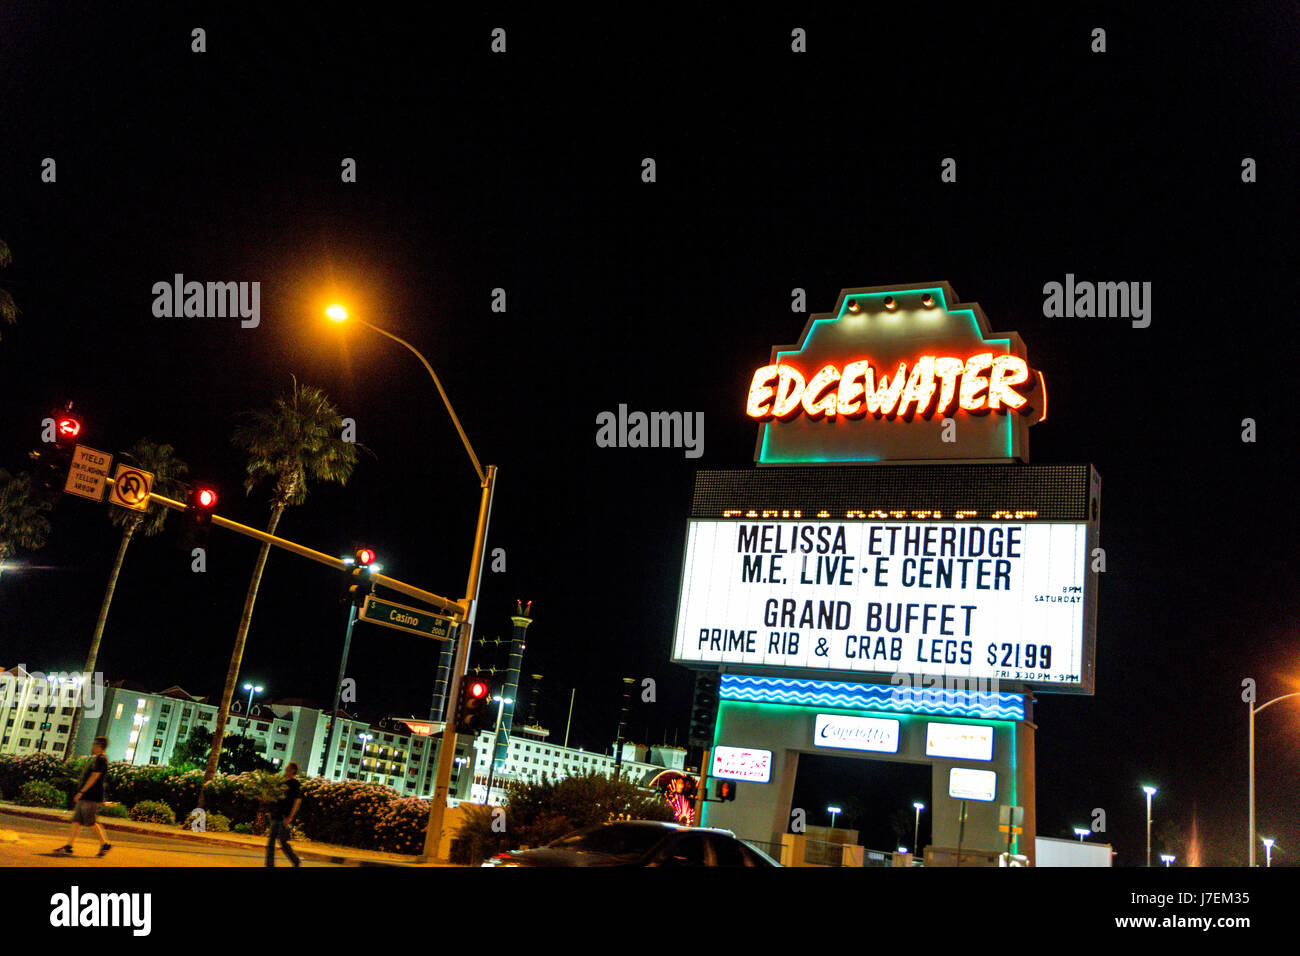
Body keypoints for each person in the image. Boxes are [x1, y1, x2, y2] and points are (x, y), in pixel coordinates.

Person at [54, 736, 112, 857]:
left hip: (92, 796)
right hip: (87, 795)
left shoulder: (101, 759)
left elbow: (94, 777)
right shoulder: (97, 759)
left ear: (100, 746)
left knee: (90, 822)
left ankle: (105, 843)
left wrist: (81, 792)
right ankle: (69, 846)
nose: (92, 747)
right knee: (76, 820)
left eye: (94, 744)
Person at [266, 762, 302, 867]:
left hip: (285, 817)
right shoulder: (281, 782)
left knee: (283, 841)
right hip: (276, 815)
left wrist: (290, 817)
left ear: (292, 771)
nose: (285, 770)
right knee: (271, 842)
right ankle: (269, 864)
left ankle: (295, 860)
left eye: (287, 769)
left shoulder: (295, 784)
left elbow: (297, 801)